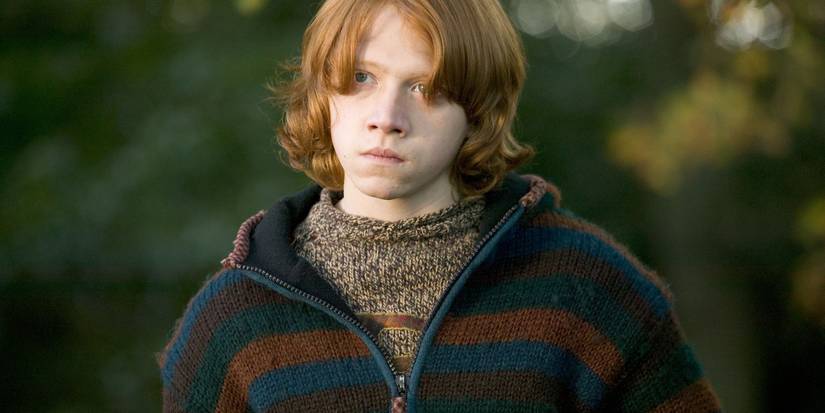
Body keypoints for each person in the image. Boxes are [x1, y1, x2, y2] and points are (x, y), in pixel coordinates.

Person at [158, 0, 722, 412]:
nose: (386, 117)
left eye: (425, 87)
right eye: (361, 77)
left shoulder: (589, 291)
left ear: (477, 112)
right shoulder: (235, 315)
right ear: (323, 93)